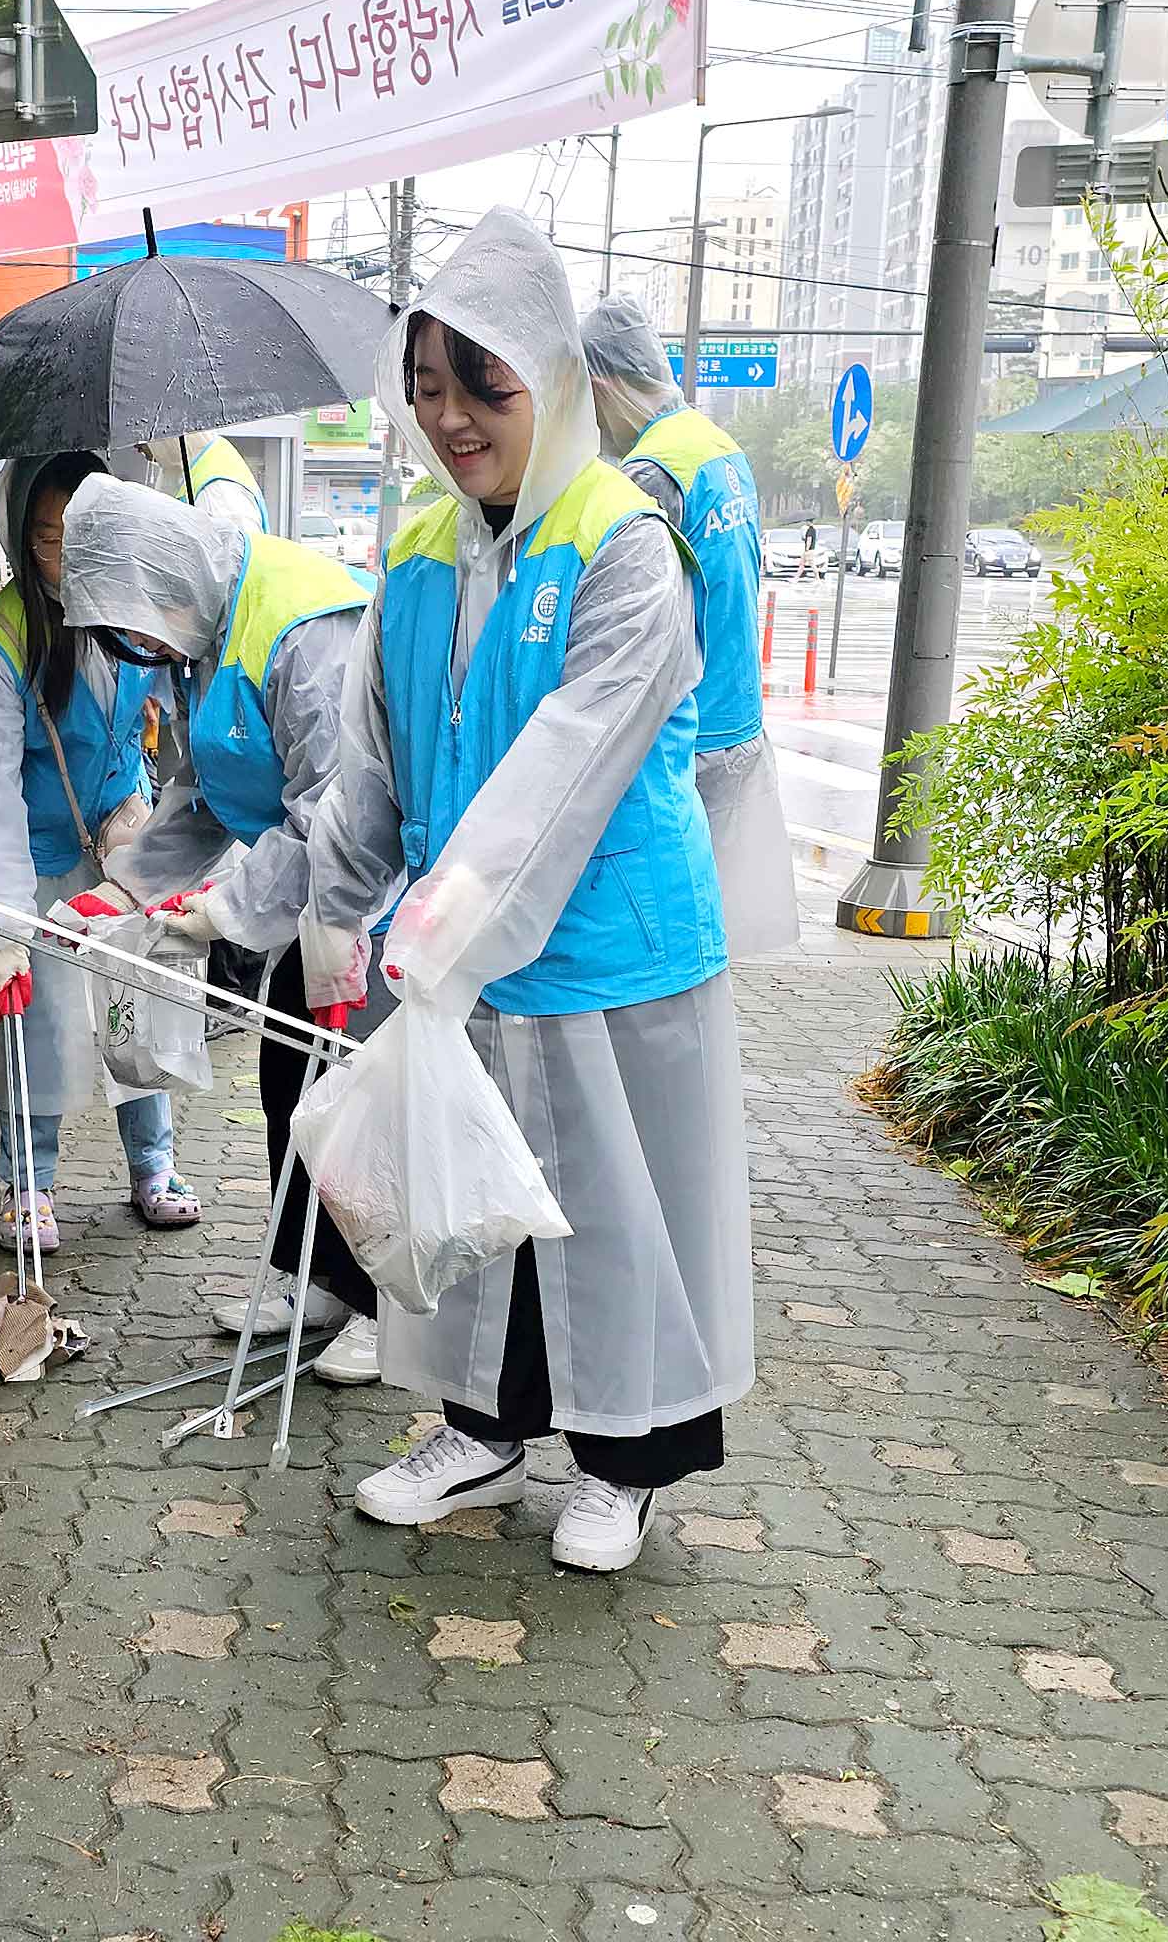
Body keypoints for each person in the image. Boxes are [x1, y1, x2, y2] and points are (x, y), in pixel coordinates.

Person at [299, 212, 751, 1573]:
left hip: (610, 941)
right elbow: (374, 752)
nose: (451, 420)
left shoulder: (625, 544)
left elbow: (576, 760)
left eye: (480, 386)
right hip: (467, 952)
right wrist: (327, 904)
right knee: (476, 1201)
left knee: (618, 1211)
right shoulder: (423, 553)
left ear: (551, 381)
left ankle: (628, 1464)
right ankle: (482, 1430)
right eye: (427, 388)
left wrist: (438, 926)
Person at [52, 476, 386, 1384]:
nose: (146, 649)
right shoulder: (206, 636)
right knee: (291, 1086)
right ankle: (310, 1275)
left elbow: (337, 815)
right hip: (303, 908)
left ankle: (388, 1306)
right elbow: (204, 797)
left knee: (360, 1105)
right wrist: (123, 888)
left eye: (141, 627)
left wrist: (227, 911)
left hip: (368, 906)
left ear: (165, 578)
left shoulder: (305, 629)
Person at [0, 451, 200, 1254]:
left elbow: (190, 729)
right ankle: (30, 1181)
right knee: (39, 1018)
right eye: (47, 538)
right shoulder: (4, 641)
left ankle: (153, 1166)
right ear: (23, 540)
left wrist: (152, 826)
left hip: (124, 841)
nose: (63, 557)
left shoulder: (136, 611)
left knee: (142, 1001)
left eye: (79, 535)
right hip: (37, 855)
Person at [582, 295, 801, 958]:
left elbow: (625, 617)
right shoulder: (717, 447)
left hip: (686, 734)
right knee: (711, 924)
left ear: (601, 385)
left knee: (660, 934)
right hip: (736, 717)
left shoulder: (653, 472)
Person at [137, 430, 270, 533]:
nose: (137, 446)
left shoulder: (218, 491)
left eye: (140, 435)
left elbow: (231, 561)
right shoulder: (183, 465)